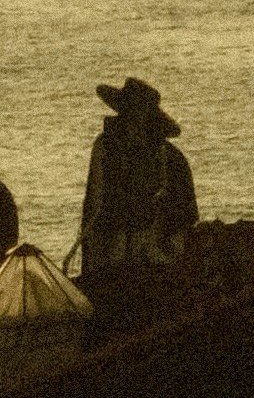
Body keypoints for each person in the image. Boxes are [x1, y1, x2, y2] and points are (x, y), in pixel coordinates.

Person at [79, 77, 197, 275]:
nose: (131, 124)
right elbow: (93, 209)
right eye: (129, 115)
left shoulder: (172, 160)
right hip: (111, 258)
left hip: (155, 261)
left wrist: (160, 251)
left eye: (137, 117)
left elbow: (185, 218)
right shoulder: (106, 149)